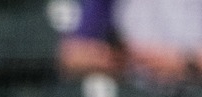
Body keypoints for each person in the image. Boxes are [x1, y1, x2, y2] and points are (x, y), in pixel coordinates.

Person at [60, 0, 202, 84]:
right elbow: (71, 55)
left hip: (195, 91)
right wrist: (122, 58)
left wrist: (187, 62)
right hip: (136, 93)